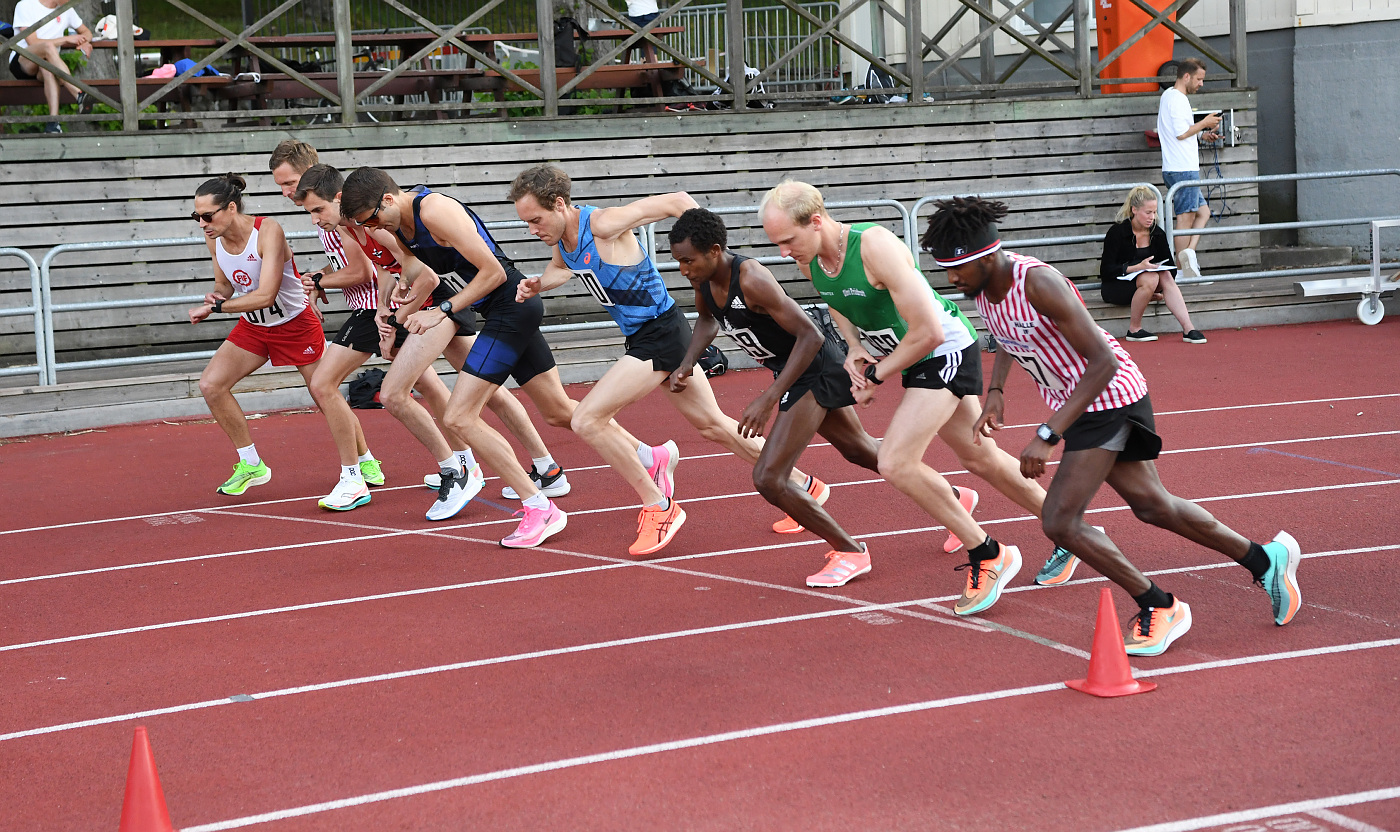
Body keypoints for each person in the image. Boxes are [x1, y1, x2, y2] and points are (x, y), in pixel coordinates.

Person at [924, 196, 1303, 656]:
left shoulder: (1039, 283)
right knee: (1153, 506)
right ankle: (1266, 560)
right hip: (1082, 402)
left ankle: (1160, 606)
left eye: (956, 269)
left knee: (1060, 520)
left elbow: (1102, 361)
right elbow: (1008, 337)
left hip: (1109, 396)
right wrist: (997, 393)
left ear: (985, 256)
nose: (951, 279)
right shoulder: (985, 290)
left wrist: (1048, 434)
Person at [760, 180, 1055, 615]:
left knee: (895, 461)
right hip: (914, 359)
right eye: (776, 243)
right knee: (981, 459)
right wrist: (854, 345)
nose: (783, 252)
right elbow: (836, 299)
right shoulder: (813, 262)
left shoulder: (874, 246)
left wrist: (877, 375)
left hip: (945, 350)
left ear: (817, 221)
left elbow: (929, 332)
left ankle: (987, 553)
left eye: (787, 240)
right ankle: (1070, 527)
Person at [509, 164, 821, 558]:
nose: (533, 229)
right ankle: (805, 486)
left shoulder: (604, 224)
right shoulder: (562, 240)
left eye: (536, 220)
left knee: (586, 419)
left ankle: (659, 507)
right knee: (715, 427)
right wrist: (540, 282)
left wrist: (715, 259)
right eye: (526, 224)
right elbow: (562, 267)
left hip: (660, 333)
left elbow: (676, 202)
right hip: (649, 335)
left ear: (558, 204)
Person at [340, 168, 621, 547]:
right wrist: (396, 307)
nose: (372, 228)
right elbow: (413, 267)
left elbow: (492, 272)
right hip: (505, 312)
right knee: (556, 410)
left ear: (387, 200)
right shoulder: (398, 226)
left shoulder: (434, 210)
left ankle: (540, 508)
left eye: (371, 219)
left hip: (511, 307)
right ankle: (646, 455)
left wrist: (442, 310)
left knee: (459, 416)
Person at [667, 208, 884, 587]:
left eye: (688, 260)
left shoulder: (751, 278)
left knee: (769, 478)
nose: (684, 269)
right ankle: (951, 496)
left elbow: (811, 336)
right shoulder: (703, 280)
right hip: (798, 372)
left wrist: (769, 397)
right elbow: (707, 319)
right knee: (860, 450)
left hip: (812, 368)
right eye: (679, 262)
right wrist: (687, 363)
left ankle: (850, 550)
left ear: (715, 250)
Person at [185, 173, 326, 497]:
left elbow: (266, 295)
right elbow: (225, 285)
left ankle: (363, 460)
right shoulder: (214, 238)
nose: (202, 223)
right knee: (211, 385)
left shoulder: (268, 231)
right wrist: (217, 298)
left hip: (294, 323)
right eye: (197, 217)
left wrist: (220, 310)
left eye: (208, 216)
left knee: (324, 394)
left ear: (231, 208)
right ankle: (251, 464)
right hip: (254, 327)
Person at [1099, 185, 1206, 344]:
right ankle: (1134, 329)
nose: (1152, 217)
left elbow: (1171, 268)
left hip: (1147, 284)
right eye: (1148, 212)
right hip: (1115, 287)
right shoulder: (1118, 232)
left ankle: (1188, 328)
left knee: (1164, 274)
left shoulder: (1157, 233)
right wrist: (1137, 268)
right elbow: (1106, 271)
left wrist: (1155, 270)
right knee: (1149, 278)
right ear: (1134, 210)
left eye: (1154, 212)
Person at [1157, 57, 1221, 279]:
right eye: (1199, 79)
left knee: (1203, 212)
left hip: (1180, 167)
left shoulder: (1171, 97)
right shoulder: (1176, 99)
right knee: (1184, 219)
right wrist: (1204, 123)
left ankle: (1188, 258)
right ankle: (1180, 271)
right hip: (1182, 168)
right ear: (1186, 76)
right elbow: (1180, 133)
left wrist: (1204, 135)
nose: (1201, 84)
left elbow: (1184, 132)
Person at [10, 0, 92, 133]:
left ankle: (53, 124)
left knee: (47, 67)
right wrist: (65, 39)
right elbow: (33, 42)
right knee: (48, 47)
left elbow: (86, 32)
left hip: (49, 65)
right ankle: (78, 93)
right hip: (23, 61)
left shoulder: (66, 9)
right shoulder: (25, 5)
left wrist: (84, 41)